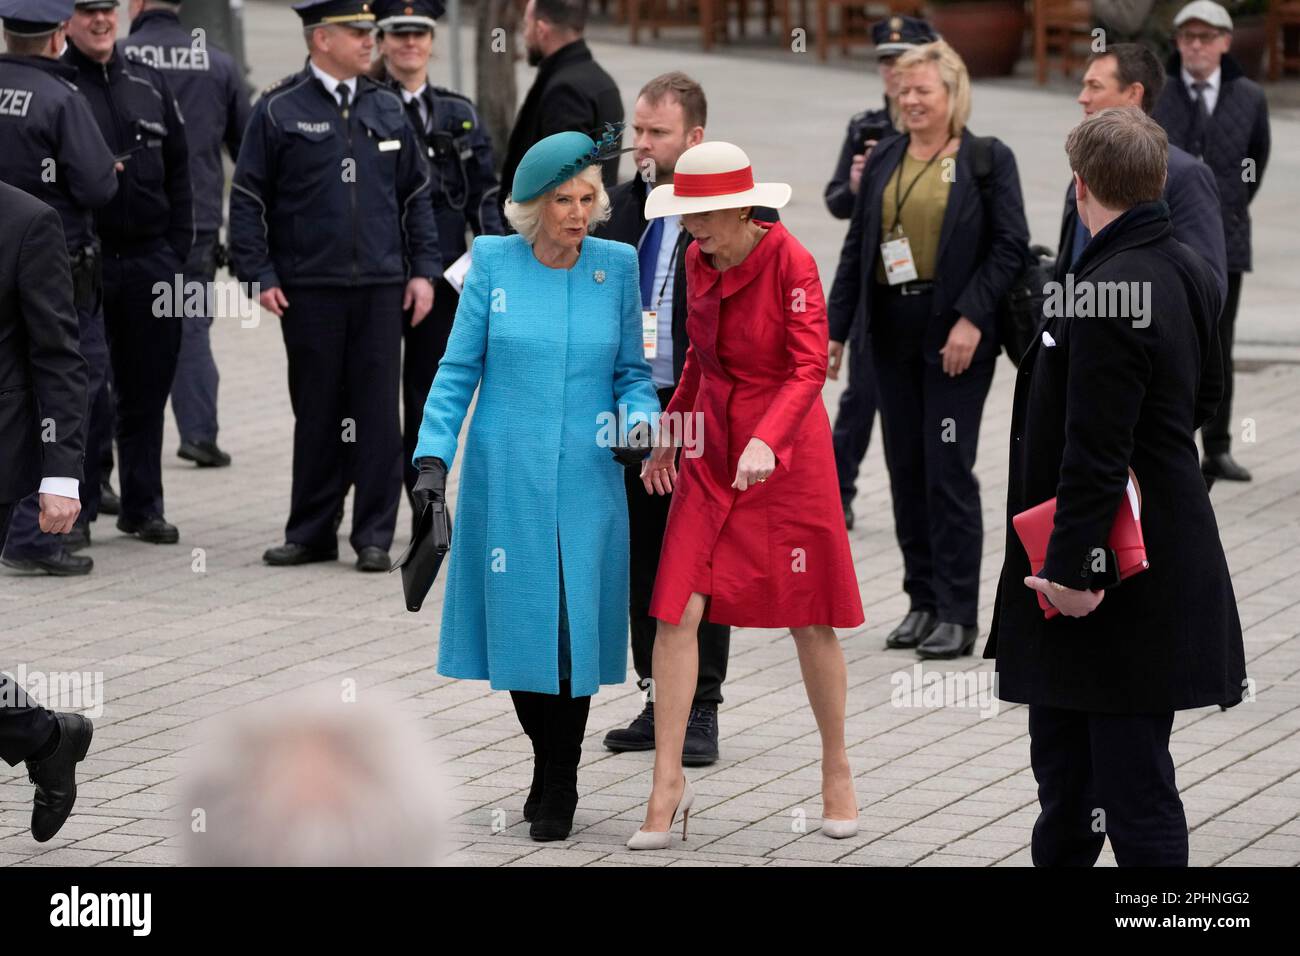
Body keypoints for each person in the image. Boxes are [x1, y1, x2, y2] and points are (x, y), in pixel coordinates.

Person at [986, 107, 1247, 866]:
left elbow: (1096, 449)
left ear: (1080, 187)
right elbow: (1206, 399)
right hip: (1153, 550)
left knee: (1125, 793)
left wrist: (1072, 573)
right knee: (1079, 791)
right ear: (1158, 179)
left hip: (1104, 583)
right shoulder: (1192, 267)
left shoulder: (1104, 289)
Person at [411, 129, 659, 843]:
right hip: (506, 477)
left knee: (572, 633)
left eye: (588, 198)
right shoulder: (492, 262)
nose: (579, 213)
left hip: (588, 479)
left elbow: (632, 377)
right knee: (524, 630)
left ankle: (563, 777)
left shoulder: (615, 266)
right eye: (563, 201)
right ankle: (544, 757)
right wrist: (432, 461)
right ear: (530, 207)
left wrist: (639, 424)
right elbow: (457, 372)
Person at [630, 141, 865, 849]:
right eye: (685, 217)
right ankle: (666, 781)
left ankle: (837, 767)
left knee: (809, 615)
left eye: (701, 218)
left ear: (739, 208)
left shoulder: (790, 261)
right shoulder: (700, 261)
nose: (691, 232)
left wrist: (769, 439)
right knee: (676, 609)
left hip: (785, 455)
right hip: (714, 450)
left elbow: (807, 366)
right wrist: (673, 430)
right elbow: (701, 358)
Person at [595, 72, 779, 768]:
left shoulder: (741, 214)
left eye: (656, 133)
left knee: (700, 559)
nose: (640, 144)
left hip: (701, 410)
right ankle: (656, 693)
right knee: (643, 556)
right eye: (636, 130)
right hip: (635, 402)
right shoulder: (619, 205)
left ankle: (702, 706)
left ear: (695, 138)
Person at [827, 40, 1029, 659]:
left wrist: (971, 318)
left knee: (946, 472)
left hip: (954, 343)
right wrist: (835, 331)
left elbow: (1009, 247)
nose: (911, 100)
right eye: (904, 90)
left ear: (952, 95)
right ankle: (920, 601)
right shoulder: (886, 154)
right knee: (905, 471)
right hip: (889, 337)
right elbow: (859, 247)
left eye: (924, 91)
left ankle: (958, 612)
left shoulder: (986, 159)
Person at [229, 0, 440, 573]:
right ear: (321, 38)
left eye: (369, 31)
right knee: (317, 411)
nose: (370, 41)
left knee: (376, 414)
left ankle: (373, 534)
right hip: (309, 288)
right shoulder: (278, 108)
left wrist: (423, 271)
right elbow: (248, 198)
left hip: (380, 287)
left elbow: (417, 196)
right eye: (357, 32)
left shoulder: (387, 106)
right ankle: (312, 530)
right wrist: (258, 274)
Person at [64, 0, 192, 545]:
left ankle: (142, 506)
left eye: (106, 10)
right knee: (85, 390)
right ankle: (81, 507)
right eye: (86, 10)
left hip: (150, 262)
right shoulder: (60, 85)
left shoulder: (148, 80)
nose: (100, 20)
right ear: (65, 21)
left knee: (147, 389)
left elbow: (182, 168)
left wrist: (176, 251)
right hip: (84, 263)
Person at [368, 0, 504, 512]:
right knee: (370, 402)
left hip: (444, 277)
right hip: (379, 271)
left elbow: (486, 196)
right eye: (398, 34)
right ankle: (364, 516)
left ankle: (424, 508)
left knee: (428, 397)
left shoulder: (458, 112)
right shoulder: (366, 106)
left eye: (419, 34)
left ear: (431, 42)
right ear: (381, 41)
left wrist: (487, 265)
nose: (409, 44)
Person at [0, 0, 116, 575]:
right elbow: (97, 185)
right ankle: (36, 535)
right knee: (63, 382)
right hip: (56, 264)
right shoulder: (62, 98)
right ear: (56, 38)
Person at [0, 177, 95, 843]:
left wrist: (61, 471)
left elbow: (58, 353)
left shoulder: (27, 222)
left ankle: (44, 736)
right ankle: (44, 735)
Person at [122, 0, 250, 469]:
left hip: (126, 224)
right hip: (194, 223)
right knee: (189, 327)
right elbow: (248, 148)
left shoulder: (117, 55)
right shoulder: (217, 61)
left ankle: (116, 449)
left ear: (135, 4)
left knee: (119, 329)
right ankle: (199, 434)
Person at [825, 14, 937, 530]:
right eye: (886, 62)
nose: (893, 72)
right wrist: (854, 186)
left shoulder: (940, 128)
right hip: (877, 282)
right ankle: (836, 490)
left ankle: (923, 493)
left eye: (903, 60)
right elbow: (837, 205)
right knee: (860, 396)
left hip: (928, 287)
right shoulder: (866, 126)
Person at [1154, 0, 1270, 483]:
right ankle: (1173, 441)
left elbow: (1255, 161)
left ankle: (1217, 447)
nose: (1195, 46)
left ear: (1225, 42)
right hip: (1169, 239)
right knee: (1172, 341)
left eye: (1205, 37)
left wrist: (1230, 207)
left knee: (1219, 343)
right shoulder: (1162, 95)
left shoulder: (1249, 96)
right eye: (1187, 38)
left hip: (1227, 238)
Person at [1062, 43, 1225, 302]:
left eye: (1095, 86)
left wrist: (1124, 322)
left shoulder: (1186, 175)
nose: (1082, 97)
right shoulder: (1084, 163)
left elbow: (1208, 288)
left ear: (1134, 93)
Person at [499, 0, 622, 219]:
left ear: (541, 29)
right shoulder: (601, 80)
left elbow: (560, 182)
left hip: (557, 241)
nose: (525, 36)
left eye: (526, 26)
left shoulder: (564, 90)